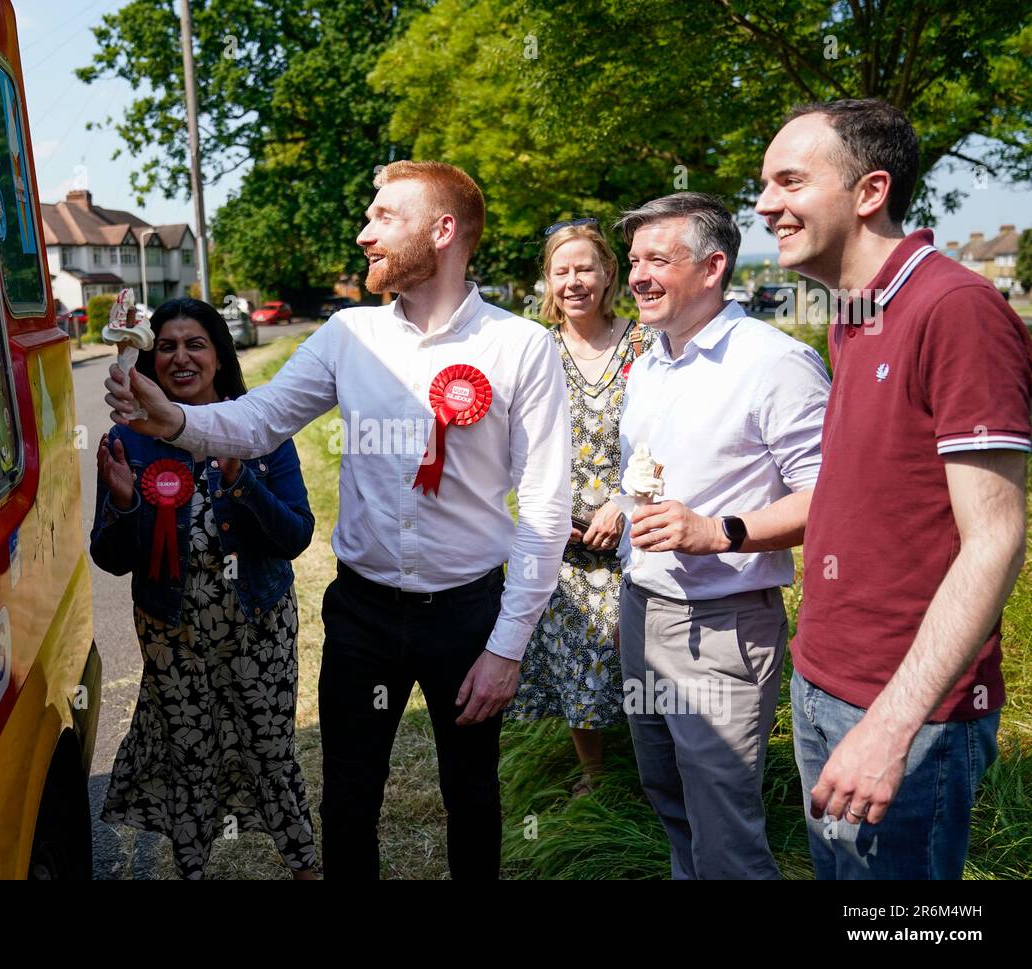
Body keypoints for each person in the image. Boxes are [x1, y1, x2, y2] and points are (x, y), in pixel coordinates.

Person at [106, 161, 571, 879]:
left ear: (443, 230)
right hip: (361, 615)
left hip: (468, 616)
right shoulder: (347, 334)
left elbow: (545, 502)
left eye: (384, 216)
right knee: (349, 800)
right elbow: (257, 420)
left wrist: (507, 646)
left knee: (472, 796)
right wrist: (170, 419)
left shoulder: (522, 346)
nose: (363, 233)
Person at [756, 99, 1032, 879]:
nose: (763, 204)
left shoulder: (957, 310)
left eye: (788, 181)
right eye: (764, 184)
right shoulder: (854, 311)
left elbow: (995, 537)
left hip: (902, 710)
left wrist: (891, 726)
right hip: (824, 682)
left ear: (869, 191)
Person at [615, 192, 830, 879]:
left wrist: (716, 531)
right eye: (633, 260)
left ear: (713, 268)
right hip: (642, 612)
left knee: (724, 829)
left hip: (722, 629)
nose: (638, 275)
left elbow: (830, 497)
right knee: (669, 798)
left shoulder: (775, 362)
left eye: (656, 259)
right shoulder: (649, 359)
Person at [90, 297, 318, 880]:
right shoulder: (130, 438)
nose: (180, 357)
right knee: (188, 757)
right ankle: (191, 869)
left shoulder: (257, 428)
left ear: (219, 356)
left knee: (269, 750)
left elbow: (296, 535)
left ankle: (305, 866)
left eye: (196, 344)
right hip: (171, 630)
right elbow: (110, 558)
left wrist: (240, 478)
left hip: (258, 622)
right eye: (165, 346)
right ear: (150, 359)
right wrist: (122, 502)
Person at [506, 219, 654, 795]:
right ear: (547, 280)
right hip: (561, 539)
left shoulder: (645, 344)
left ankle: (653, 772)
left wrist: (625, 502)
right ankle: (595, 776)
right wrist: (544, 513)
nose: (574, 281)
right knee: (577, 654)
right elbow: (514, 440)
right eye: (561, 270)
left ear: (609, 273)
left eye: (585, 268)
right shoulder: (534, 350)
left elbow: (665, 435)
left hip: (638, 527)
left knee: (639, 657)